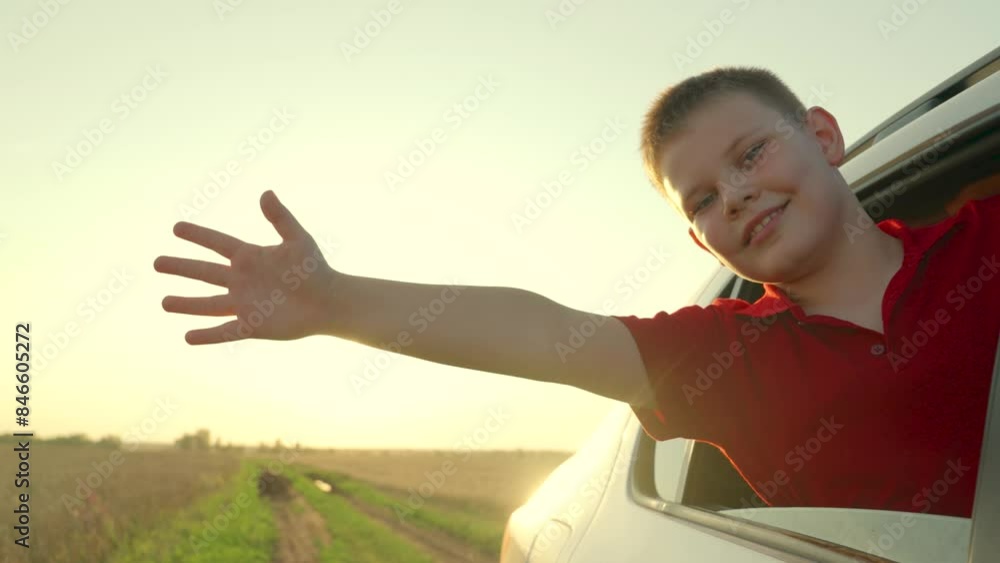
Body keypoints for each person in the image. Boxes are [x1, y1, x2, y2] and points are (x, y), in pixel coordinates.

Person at [153, 67, 1000, 518]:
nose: (734, 195)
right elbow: (547, 328)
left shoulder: (985, 237)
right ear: (699, 239)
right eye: (701, 198)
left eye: (751, 155)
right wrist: (336, 300)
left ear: (823, 136)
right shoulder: (728, 357)